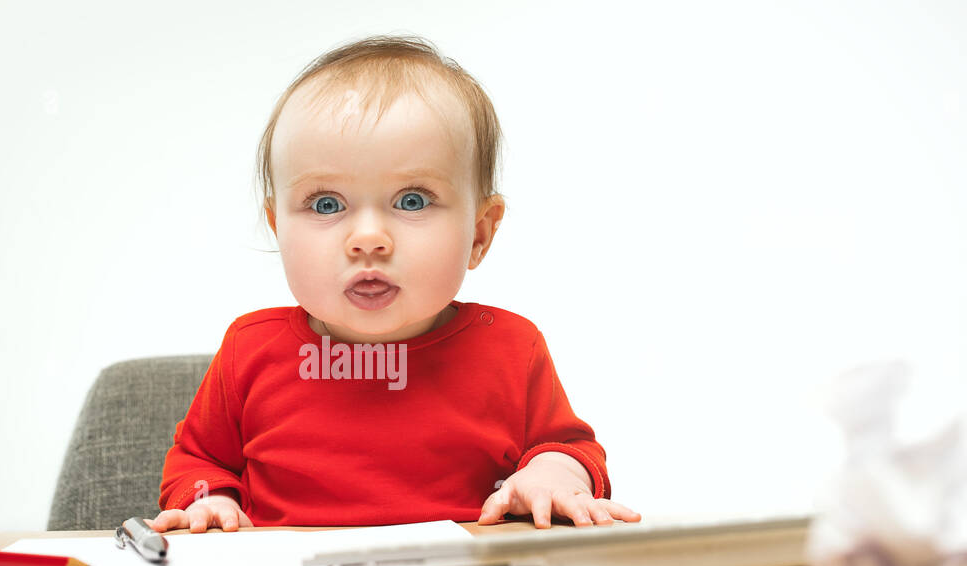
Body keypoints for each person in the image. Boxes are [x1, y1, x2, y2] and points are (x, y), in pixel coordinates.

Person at [148, 34, 641, 532]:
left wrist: (553, 473)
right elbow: (198, 462)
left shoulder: (512, 350)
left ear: (479, 233)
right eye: (326, 204)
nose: (368, 239)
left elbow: (573, 450)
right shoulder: (248, 351)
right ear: (279, 229)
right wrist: (209, 502)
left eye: (411, 201)